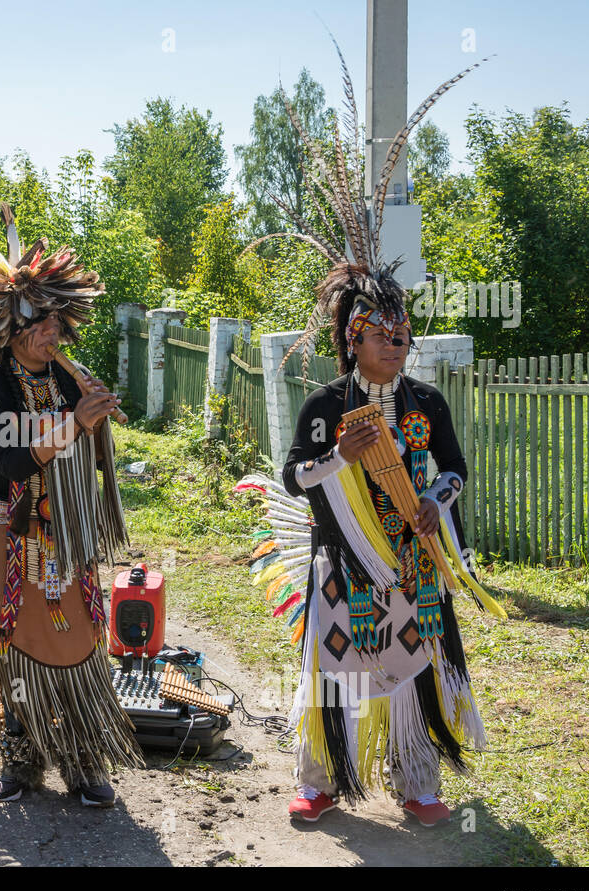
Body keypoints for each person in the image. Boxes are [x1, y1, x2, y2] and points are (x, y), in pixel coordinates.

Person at [236, 56, 504, 827]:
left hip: (415, 559)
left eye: (404, 332)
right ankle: (322, 779)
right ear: (352, 339)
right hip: (343, 561)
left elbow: (454, 469)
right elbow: (293, 478)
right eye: (382, 334)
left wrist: (436, 501)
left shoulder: (425, 401)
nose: (398, 343)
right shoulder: (328, 404)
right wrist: (341, 459)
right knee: (337, 678)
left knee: (419, 671)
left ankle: (419, 782)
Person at [0, 202, 141, 807]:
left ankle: (86, 760)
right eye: (39, 321)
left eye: (56, 320)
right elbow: (7, 463)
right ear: (9, 329)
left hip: (71, 531)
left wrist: (95, 419)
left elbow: (84, 446)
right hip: (15, 534)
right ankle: (22, 761)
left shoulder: (69, 377)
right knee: (20, 644)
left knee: (81, 638)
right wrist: (70, 424)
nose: (52, 330)